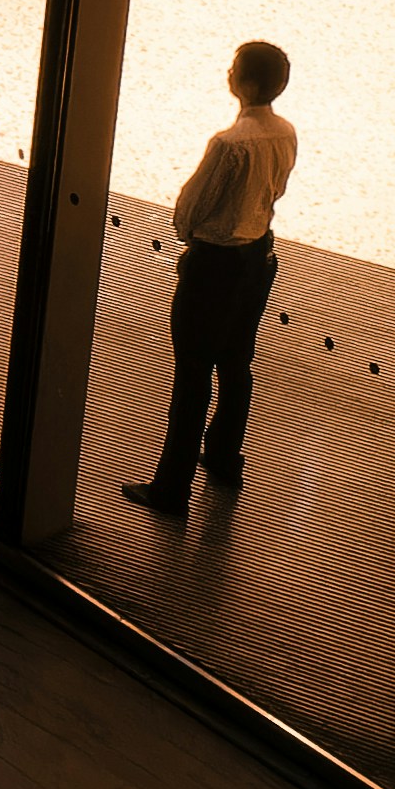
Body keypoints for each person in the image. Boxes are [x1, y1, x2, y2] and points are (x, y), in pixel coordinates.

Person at [118, 41, 297, 510]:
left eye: (234, 68)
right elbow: (276, 190)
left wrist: (188, 232)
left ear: (248, 83)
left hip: (214, 264)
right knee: (237, 363)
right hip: (259, 257)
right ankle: (223, 459)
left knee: (193, 371)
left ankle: (171, 486)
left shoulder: (228, 144)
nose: (228, 72)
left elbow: (190, 209)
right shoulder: (285, 133)